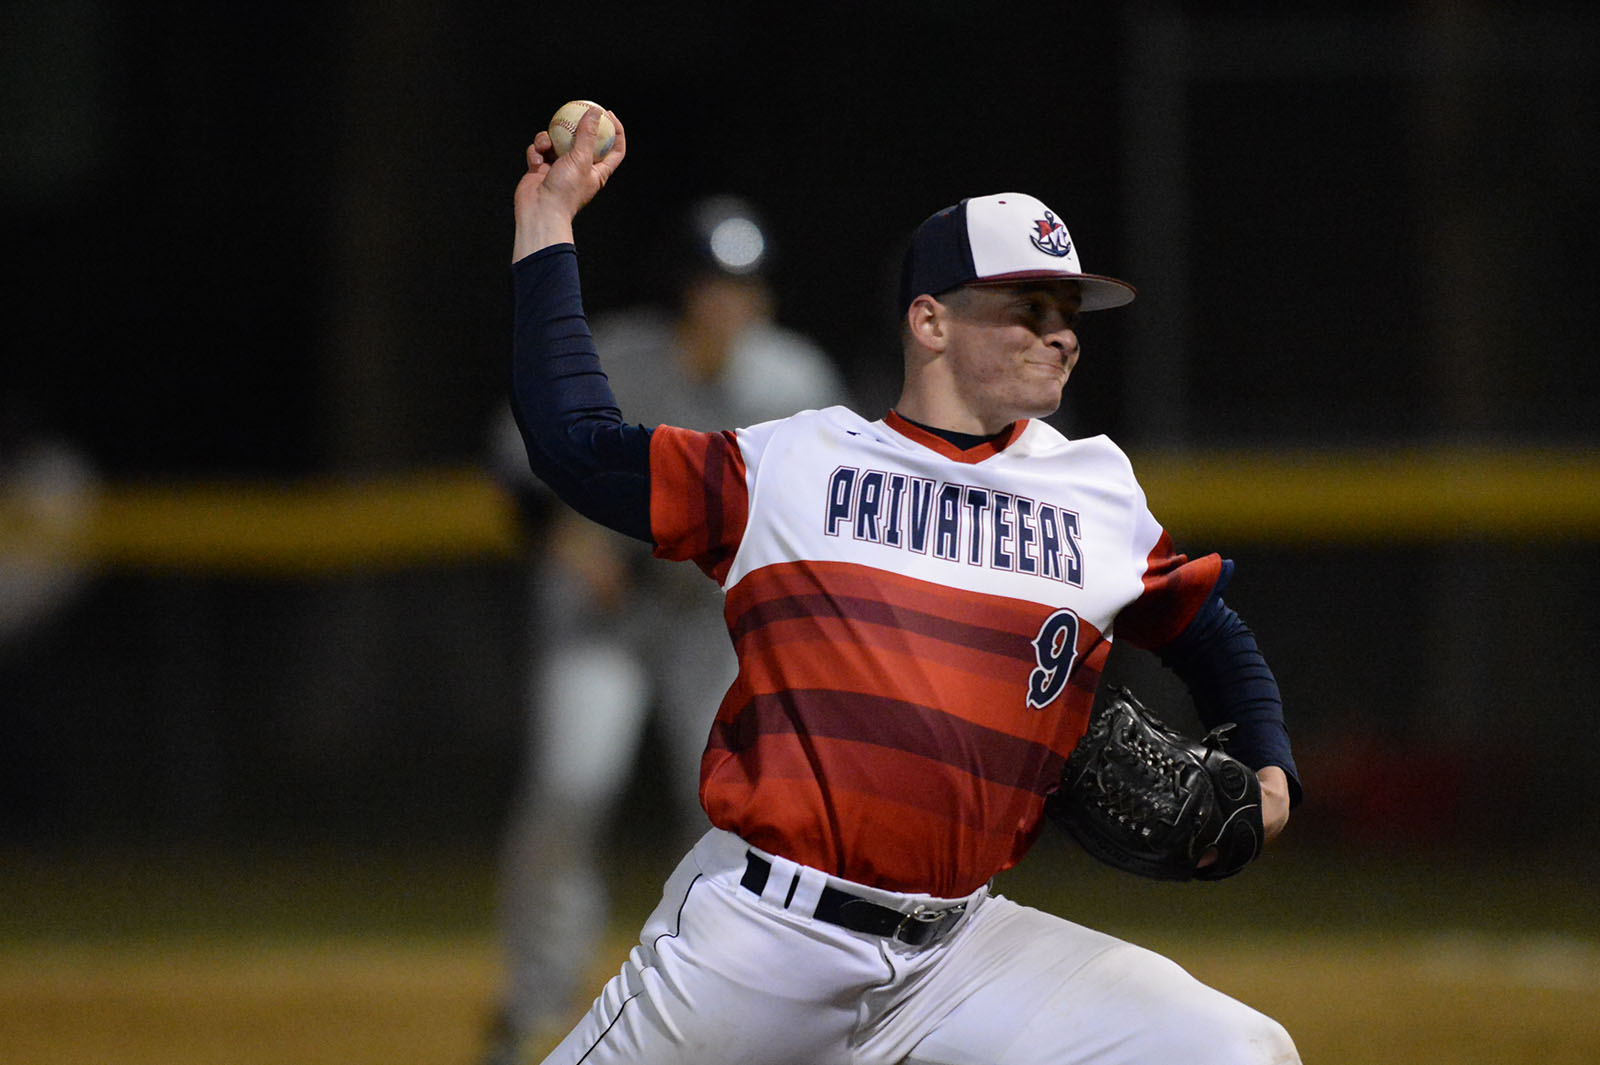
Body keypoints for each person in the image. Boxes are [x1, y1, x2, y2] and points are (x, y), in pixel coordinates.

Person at [505, 105, 1303, 1065]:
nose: (1063, 336)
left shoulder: (1095, 489)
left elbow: (1207, 629)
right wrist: (547, 221)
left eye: (1070, 315)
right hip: (764, 942)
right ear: (928, 319)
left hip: (960, 954)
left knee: (1235, 1051)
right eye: (1028, 309)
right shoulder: (794, 462)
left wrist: (1269, 770)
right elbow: (574, 446)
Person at [483, 193, 849, 1060]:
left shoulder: (793, 379)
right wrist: (567, 541)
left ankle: (720, 1001)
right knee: (574, 782)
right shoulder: (616, 357)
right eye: (713, 282)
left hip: (709, 622)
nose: (729, 301)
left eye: (745, 284)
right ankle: (535, 991)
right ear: (682, 289)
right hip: (601, 617)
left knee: (727, 807)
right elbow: (515, 472)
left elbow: (839, 508)